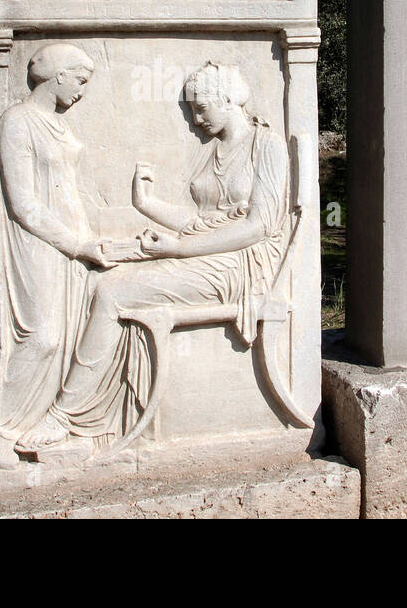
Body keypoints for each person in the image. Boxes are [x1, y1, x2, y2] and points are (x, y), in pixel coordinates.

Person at [18, 61, 289, 449]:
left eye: (201, 108)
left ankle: (65, 416)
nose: (195, 119)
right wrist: (146, 204)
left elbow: (257, 227)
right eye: (192, 110)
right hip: (208, 255)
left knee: (113, 293)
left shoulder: (268, 145)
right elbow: (200, 221)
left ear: (228, 100)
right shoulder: (215, 149)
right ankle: (108, 410)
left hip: (244, 266)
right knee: (104, 274)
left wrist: (178, 249)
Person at [0, 43, 111, 469]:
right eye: (79, 80)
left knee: (69, 337)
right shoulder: (17, 122)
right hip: (37, 244)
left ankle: (43, 427)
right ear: (56, 74)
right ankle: (3, 431)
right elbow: (23, 203)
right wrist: (75, 242)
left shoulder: (58, 125)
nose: (82, 91)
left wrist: (89, 238)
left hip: (73, 244)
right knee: (43, 337)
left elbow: (69, 191)